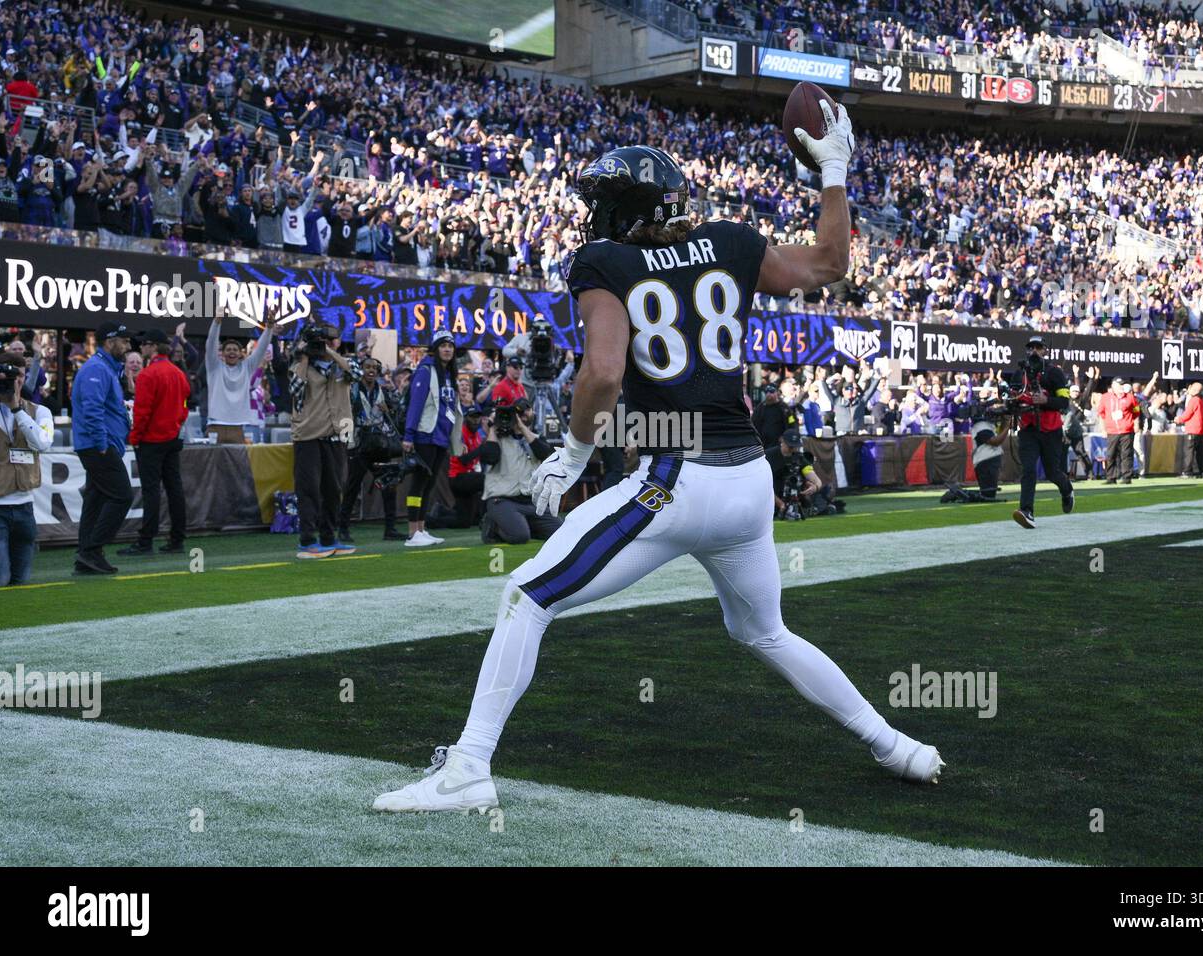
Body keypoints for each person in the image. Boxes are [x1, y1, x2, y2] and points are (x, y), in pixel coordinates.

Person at [375, 114, 944, 814]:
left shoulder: (605, 263)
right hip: (748, 480)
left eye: (600, 203)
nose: (592, 217)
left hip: (677, 481)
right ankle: (895, 745)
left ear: (623, 206)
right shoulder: (731, 242)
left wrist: (575, 451)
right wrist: (833, 172)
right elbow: (830, 263)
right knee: (764, 630)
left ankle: (468, 769)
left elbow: (605, 374)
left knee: (527, 595)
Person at [289, 324, 361, 558]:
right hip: (308, 436)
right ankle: (307, 540)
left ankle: (330, 537)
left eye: (330, 341)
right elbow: (295, 390)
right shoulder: (300, 366)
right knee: (308, 489)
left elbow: (357, 374)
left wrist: (328, 352)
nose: (326, 345)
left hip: (336, 435)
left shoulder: (342, 365)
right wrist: (304, 356)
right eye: (321, 342)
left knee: (333, 489)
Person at [119, 329, 190, 556]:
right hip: (171, 437)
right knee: (174, 488)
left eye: (144, 345)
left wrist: (135, 438)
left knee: (151, 491)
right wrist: (175, 425)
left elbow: (142, 412)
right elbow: (185, 406)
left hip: (151, 440)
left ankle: (146, 541)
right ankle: (177, 539)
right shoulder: (178, 373)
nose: (141, 348)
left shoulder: (149, 375)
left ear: (153, 347)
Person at [71, 322, 134, 575]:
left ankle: (86, 557)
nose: (129, 346)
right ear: (110, 342)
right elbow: (92, 409)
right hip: (99, 445)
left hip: (100, 443)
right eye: (125, 341)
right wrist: (101, 444)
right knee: (122, 496)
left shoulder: (105, 368)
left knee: (95, 500)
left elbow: (100, 409)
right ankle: (91, 551)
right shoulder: (97, 369)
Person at [0, 351, 53, 587]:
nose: (16, 382)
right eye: (8, 376)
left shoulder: (40, 411)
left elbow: (42, 443)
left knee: (22, 581)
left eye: (19, 375)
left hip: (25, 506)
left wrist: (17, 409)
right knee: (0, 578)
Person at [1008, 335, 1074, 529]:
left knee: (1053, 472)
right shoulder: (1019, 373)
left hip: (1050, 430)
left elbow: (1064, 403)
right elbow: (1012, 397)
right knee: (1028, 469)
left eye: (1038, 347)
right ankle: (1026, 511)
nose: (1034, 351)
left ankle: (1067, 489)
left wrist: (1046, 401)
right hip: (1028, 428)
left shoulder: (1055, 373)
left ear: (1045, 350)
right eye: (1031, 348)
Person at [477, 398, 563, 544]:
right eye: (517, 414)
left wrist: (522, 428)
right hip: (503, 500)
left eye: (526, 411)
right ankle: (492, 525)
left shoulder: (536, 438)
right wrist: (492, 427)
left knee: (560, 532)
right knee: (520, 537)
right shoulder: (496, 439)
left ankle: (520, 524)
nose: (521, 416)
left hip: (531, 502)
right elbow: (489, 458)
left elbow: (543, 453)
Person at [402, 329, 458, 547]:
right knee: (418, 484)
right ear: (435, 349)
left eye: (450, 346)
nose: (447, 350)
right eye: (443, 346)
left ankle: (422, 529)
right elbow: (416, 404)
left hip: (440, 437)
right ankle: (412, 532)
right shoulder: (426, 370)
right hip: (425, 435)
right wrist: (409, 434)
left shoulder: (448, 374)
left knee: (429, 485)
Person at [338, 356, 402, 542]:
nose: (371, 370)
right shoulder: (352, 389)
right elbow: (343, 412)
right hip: (359, 444)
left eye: (374, 367)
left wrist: (388, 409)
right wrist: (347, 442)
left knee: (388, 484)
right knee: (352, 487)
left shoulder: (383, 390)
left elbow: (397, 410)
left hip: (379, 443)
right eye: (367, 367)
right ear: (362, 369)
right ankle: (342, 528)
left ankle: (390, 528)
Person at [205, 314, 275, 444]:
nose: (232, 352)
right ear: (222, 353)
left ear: (240, 353)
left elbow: (261, 349)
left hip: (239, 427)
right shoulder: (214, 366)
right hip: (215, 425)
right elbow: (210, 344)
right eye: (228, 350)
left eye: (235, 350)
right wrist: (217, 322)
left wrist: (269, 327)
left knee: (237, 464)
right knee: (214, 464)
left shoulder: (247, 367)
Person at [1098, 376, 1137, 484]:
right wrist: (1103, 429)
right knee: (1111, 454)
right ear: (1113, 386)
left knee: (1126, 454)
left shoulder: (1130, 397)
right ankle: (1111, 477)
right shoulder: (1105, 397)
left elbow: (1136, 410)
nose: (1121, 387)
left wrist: (1134, 423)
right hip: (1112, 431)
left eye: (1122, 385)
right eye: (1119, 385)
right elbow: (1101, 414)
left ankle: (1126, 477)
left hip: (1127, 431)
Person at [1175, 381, 1203, 479]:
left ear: (1193, 389)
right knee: (1200, 453)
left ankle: (1187, 472)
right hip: (1200, 430)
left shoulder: (1194, 400)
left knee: (1189, 452)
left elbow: (1188, 413)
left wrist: (1179, 419)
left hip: (1193, 430)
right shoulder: (1202, 401)